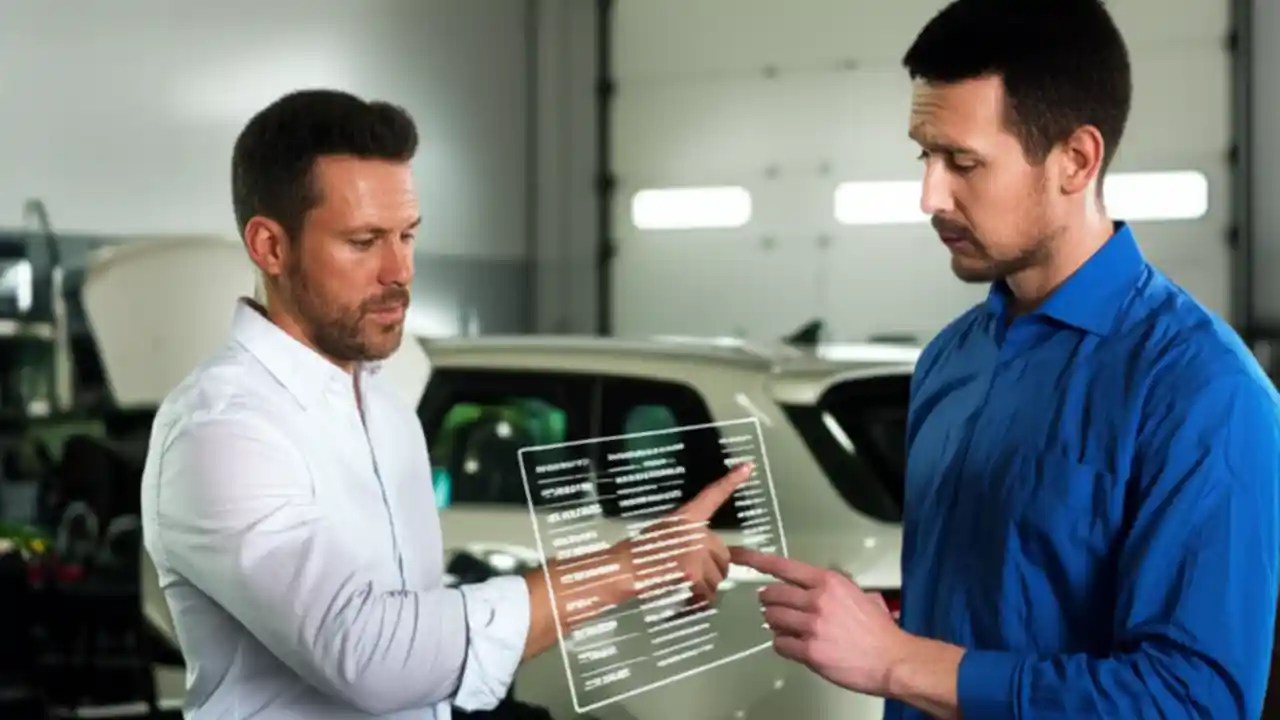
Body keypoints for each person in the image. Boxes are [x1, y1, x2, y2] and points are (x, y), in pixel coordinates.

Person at [730, 1, 1280, 718]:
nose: (930, 195)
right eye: (924, 155)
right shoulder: (951, 361)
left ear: (1076, 160)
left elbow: (1191, 700)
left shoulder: (1203, 391)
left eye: (962, 161)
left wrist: (899, 661)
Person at [138, 89, 751, 718]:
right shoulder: (221, 432)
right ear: (270, 247)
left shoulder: (382, 404)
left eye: (407, 235)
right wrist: (623, 568)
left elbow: (420, 633)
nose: (398, 270)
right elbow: (368, 654)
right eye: (364, 240)